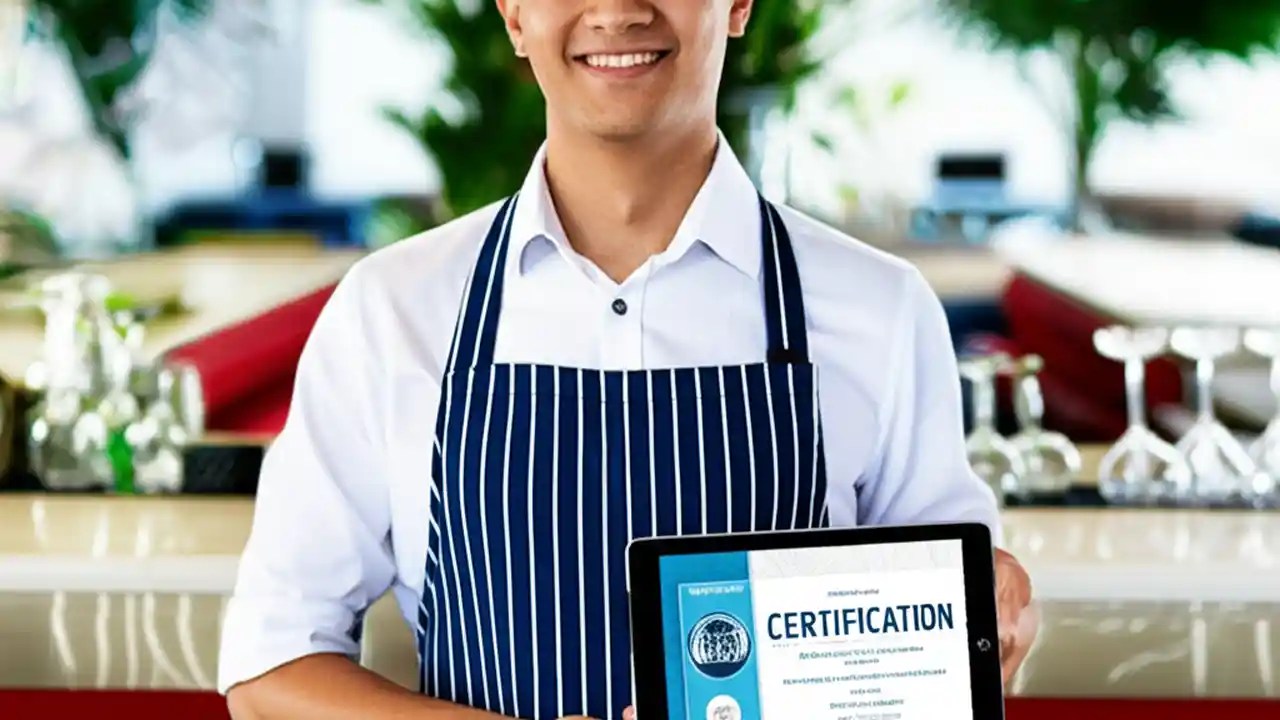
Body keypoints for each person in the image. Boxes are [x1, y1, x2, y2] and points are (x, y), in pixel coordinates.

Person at [217, 1, 1037, 718]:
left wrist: (991, 624)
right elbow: (271, 666)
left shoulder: (882, 310)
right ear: (512, 12)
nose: (616, 9)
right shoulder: (392, 310)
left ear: (739, 2)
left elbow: (941, 664)